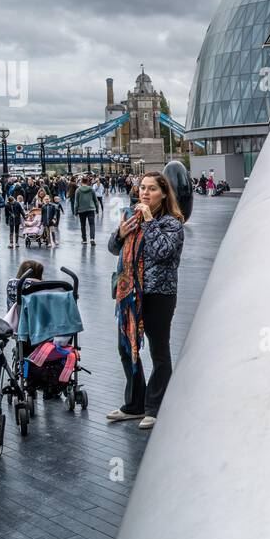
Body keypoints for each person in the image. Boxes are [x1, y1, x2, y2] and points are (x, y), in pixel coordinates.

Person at [106, 171, 185, 430]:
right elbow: (113, 248)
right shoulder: (131, 217)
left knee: (158, 351)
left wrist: (149, 222)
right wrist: (119, 233)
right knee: (126, 348)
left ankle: (155, 406)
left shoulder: (172, 224)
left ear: (163, 193)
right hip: (130, 295)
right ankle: (134, 405)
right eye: (142, 188)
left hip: (159, 295)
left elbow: (161, 252)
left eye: (151, 189)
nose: (145, 193)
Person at [72, 174, 98, 245]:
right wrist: (97, 209)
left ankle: (84, 240)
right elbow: (95, 200)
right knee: (92, 224)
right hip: (91, 209)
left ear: (81, 182)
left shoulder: (78, 190)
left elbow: (76, 202)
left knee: (83, 225)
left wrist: (75, 212)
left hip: (81, 210)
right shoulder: (91, 189)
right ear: (87, 182)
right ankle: (92, 238)